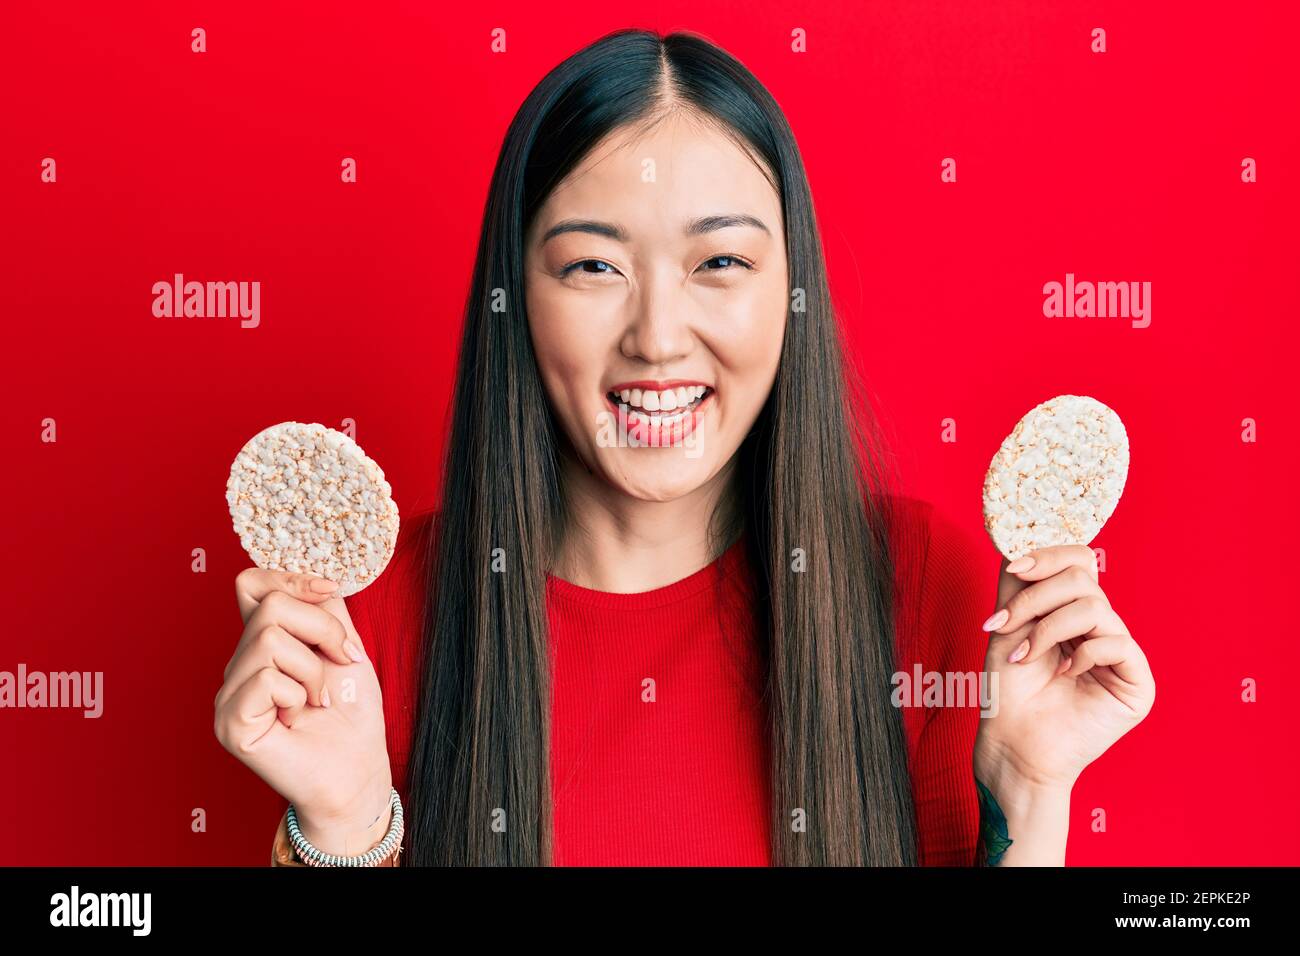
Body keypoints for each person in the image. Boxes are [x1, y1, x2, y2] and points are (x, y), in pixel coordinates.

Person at [213, 28, 1155, 867]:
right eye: (593, 266)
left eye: (721, 263)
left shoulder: (926, 590)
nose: (658, 336)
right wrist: (342, 828)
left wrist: (1030, 793)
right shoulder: (361, 633)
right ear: (515, 299)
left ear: (793, 291)